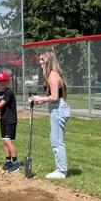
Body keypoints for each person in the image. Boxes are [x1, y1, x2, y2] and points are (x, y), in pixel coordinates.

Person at [31, 50, 70, 179]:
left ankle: (61, 171)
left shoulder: (52, 75)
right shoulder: (52, 74)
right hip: (57, 108)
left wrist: (39, 98)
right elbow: (53, 97)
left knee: (57, 141)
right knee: (56, 139)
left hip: (58, 109)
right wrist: (39, 101)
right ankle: (60, 169)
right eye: (40, 59)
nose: (40, 62)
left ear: (49, 61)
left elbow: (54, 97)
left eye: (42, 60)